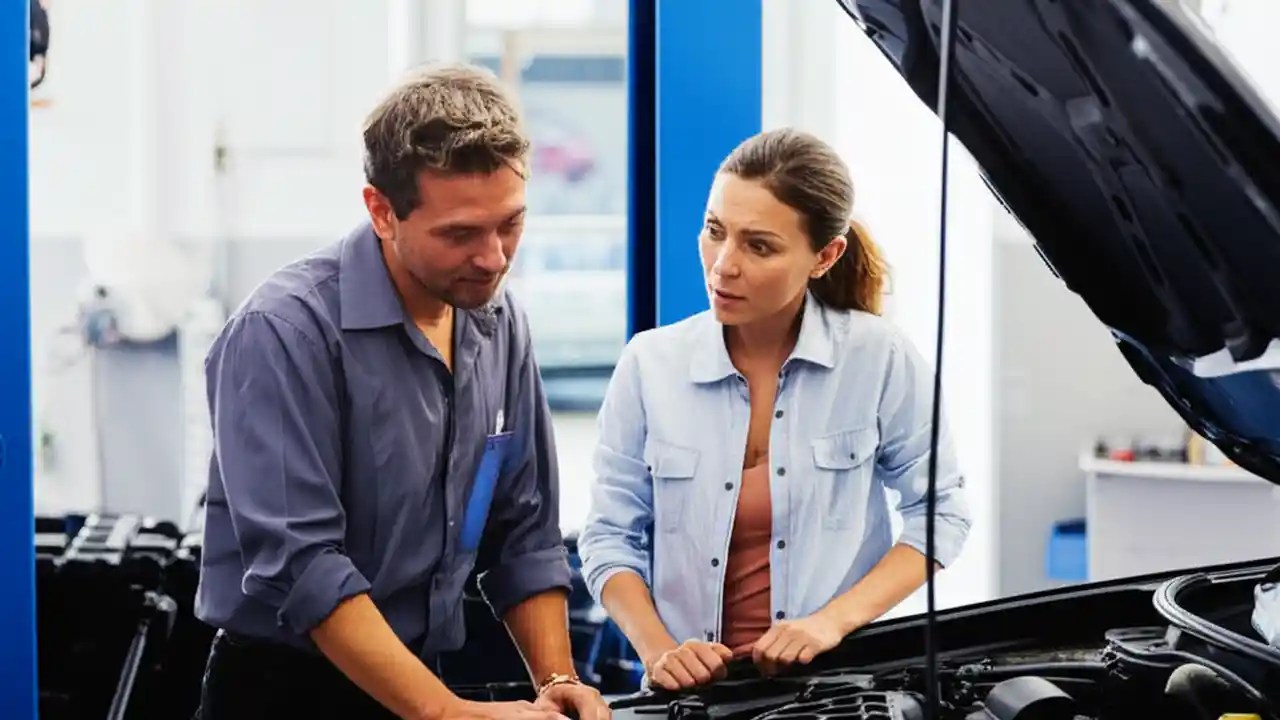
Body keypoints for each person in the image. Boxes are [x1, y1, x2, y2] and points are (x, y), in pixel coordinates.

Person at [193, 63, 611, 720]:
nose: (496, 258)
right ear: (381, 212)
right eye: (460, 234)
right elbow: (303, 566)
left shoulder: (500, 323)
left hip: (419, 677)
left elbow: (524, 535)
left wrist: (556, 678)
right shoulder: (283, 334)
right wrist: (445, 714)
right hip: (286, 692)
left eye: (510, 224)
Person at [577, 128, 972, 691]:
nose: (723, 266)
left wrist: (830, 623)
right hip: (690, 699)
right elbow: (609, 536)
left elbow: (941, 514)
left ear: (824, 256)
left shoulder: (877, 357)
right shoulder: (649, 364)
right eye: (715, 232)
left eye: (758, 246)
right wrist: (659, 651)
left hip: (839, 690)